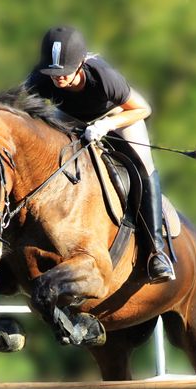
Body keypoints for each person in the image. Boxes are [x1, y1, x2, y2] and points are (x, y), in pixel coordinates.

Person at [25, 26, 175, 283]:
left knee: (142, 166)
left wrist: (105, 125)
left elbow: (142, 109)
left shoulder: (103, 76)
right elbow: (17, 105)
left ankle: (157, 252)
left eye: (65, 72)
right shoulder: (41, 77)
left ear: (81, 63)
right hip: (72, 118)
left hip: (119, 115)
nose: (58, 79)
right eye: (53, 73)